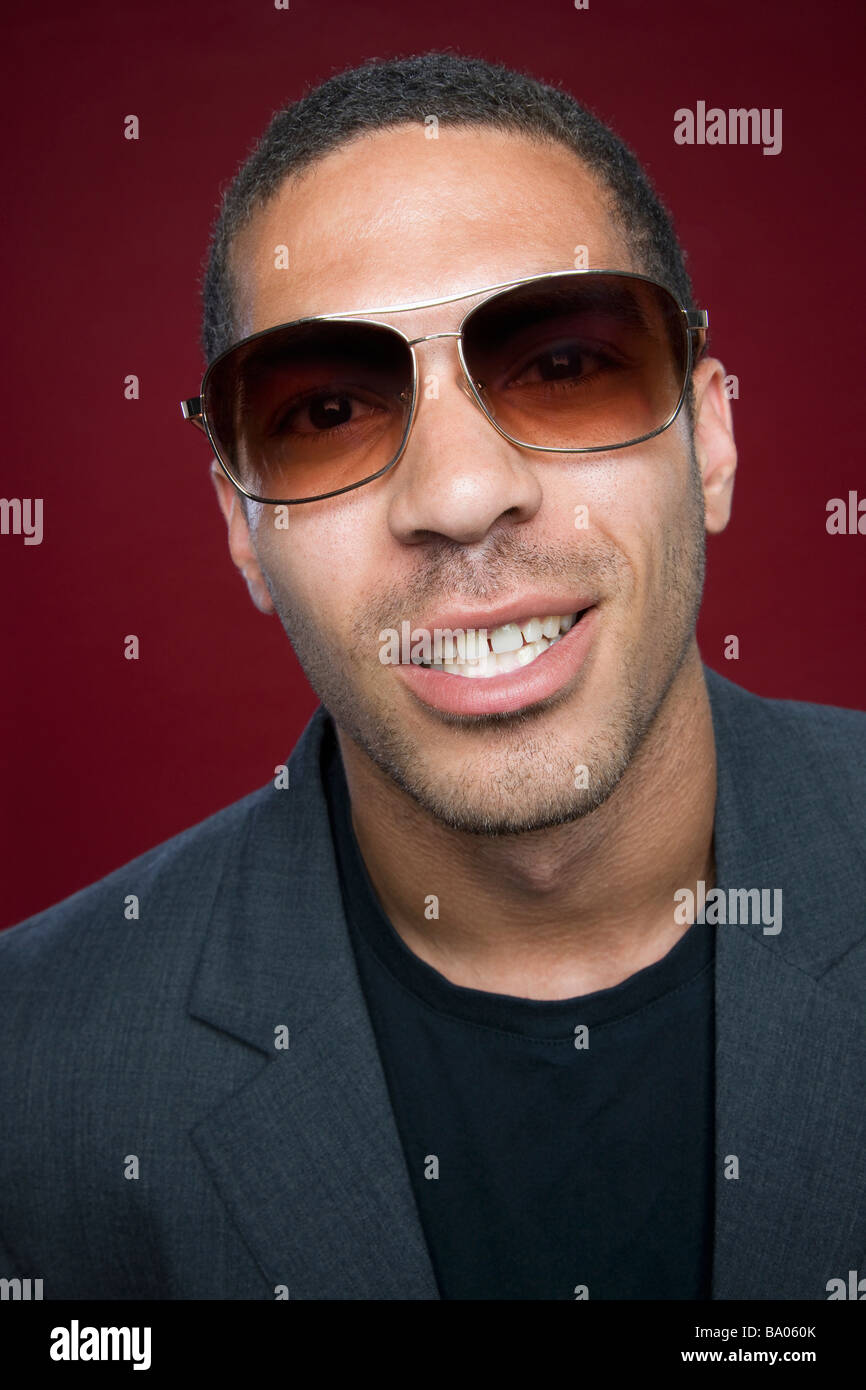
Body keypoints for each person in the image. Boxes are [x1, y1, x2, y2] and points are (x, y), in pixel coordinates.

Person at [1, 52, 863, 1303]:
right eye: (329, 409)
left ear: (710, 436)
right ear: (244, 529)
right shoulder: (33, 1078)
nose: (459, 496)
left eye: (563, 365)